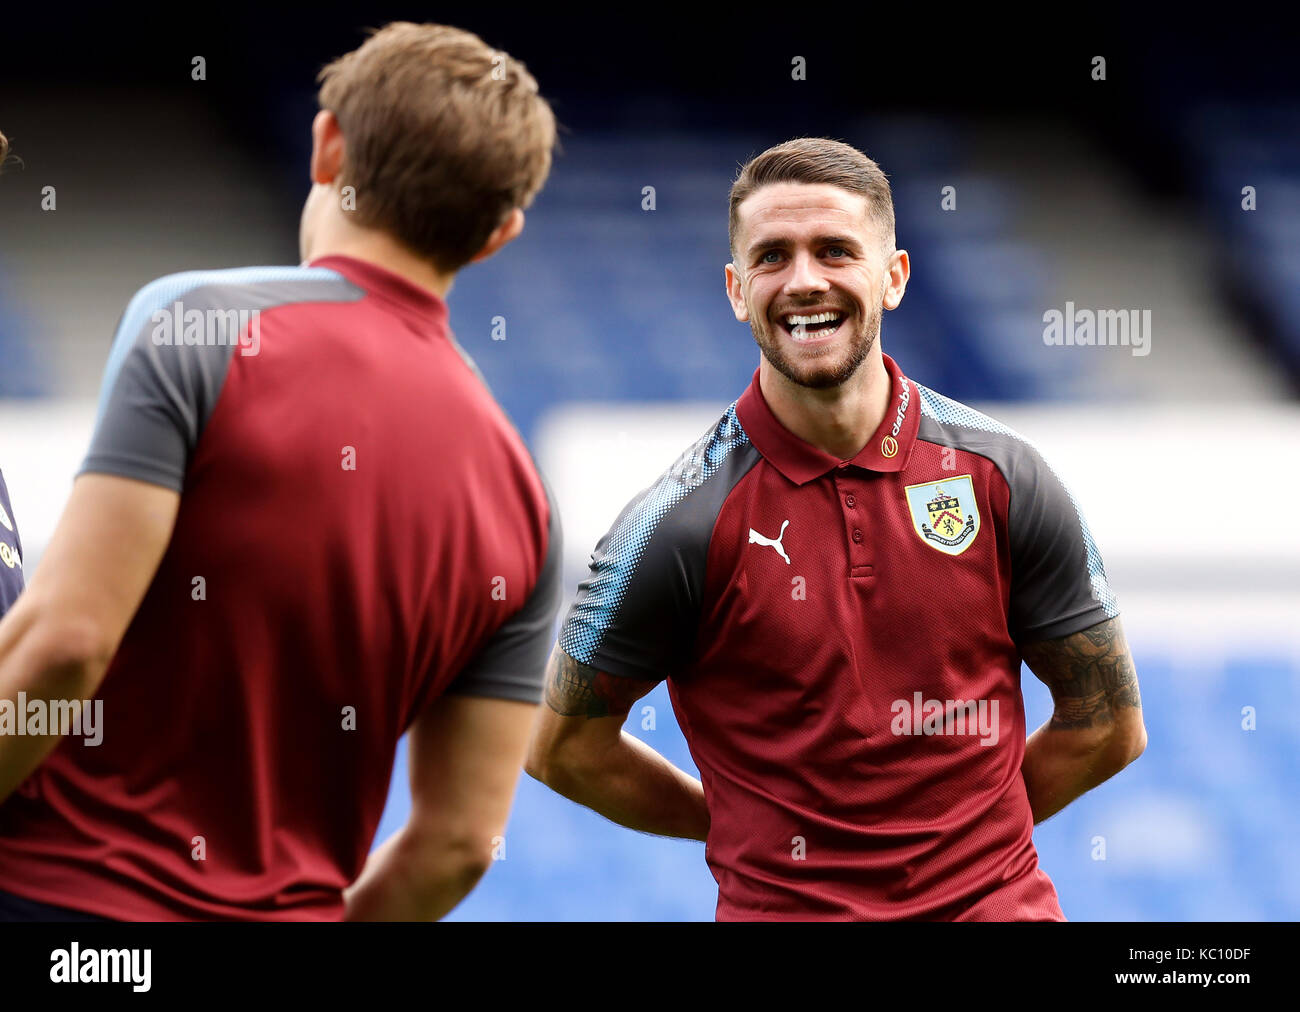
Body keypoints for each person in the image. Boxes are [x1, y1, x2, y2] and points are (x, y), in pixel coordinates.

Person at [0, 23, 560, 921]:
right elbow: (458, 844)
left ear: (327, 144)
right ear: (499, 233)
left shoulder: (200, 325)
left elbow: (64, 646)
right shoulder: (524, 499)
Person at [527, 137, 1146, 921]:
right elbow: (564, 749)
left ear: (894, 277)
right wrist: (736, 830)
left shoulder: (1003, 477)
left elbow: (1108, 726)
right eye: (772, 256)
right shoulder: (675, 525)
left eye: (835, 250)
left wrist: (963, 852)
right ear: (735, 289)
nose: (804, 281)